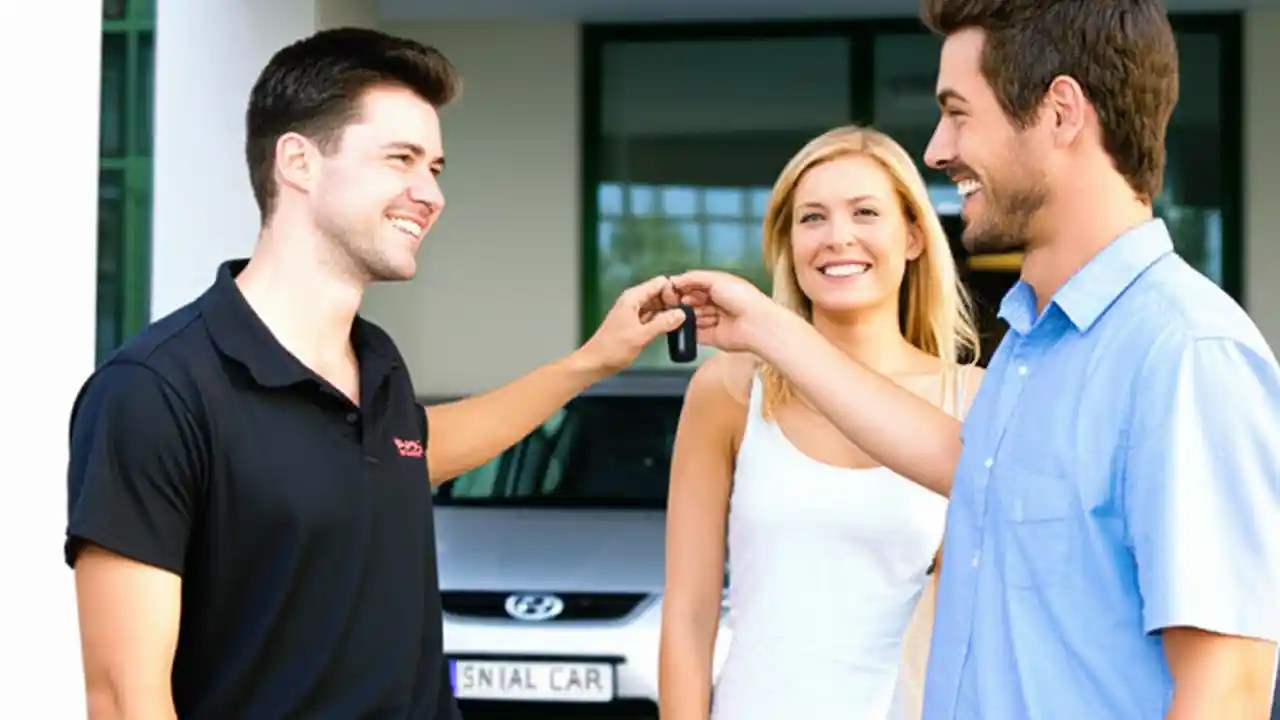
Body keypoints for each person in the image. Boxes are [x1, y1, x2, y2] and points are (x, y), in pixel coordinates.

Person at [665, 0, 1280, 718]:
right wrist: (770, 329)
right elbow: (952, 454)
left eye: (959, 113)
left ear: (1060, 112)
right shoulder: (1033, 341)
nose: (936, 149)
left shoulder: (1185, 353)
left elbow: (1227, 689)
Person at [64, 27, 688, 720]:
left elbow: (414, 454)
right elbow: (125, 698)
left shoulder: (376, 363)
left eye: (437, 169)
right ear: (298, 162)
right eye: (401, 159)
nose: (431, 193)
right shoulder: (156, 391)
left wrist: (591, 362)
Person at [658, 126, 983, 720]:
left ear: (913, 236)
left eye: (865, 212)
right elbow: (688, 613)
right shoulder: (729, 390)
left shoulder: (973, 400)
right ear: (787, 242)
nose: (838, 238)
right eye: (811, 218)